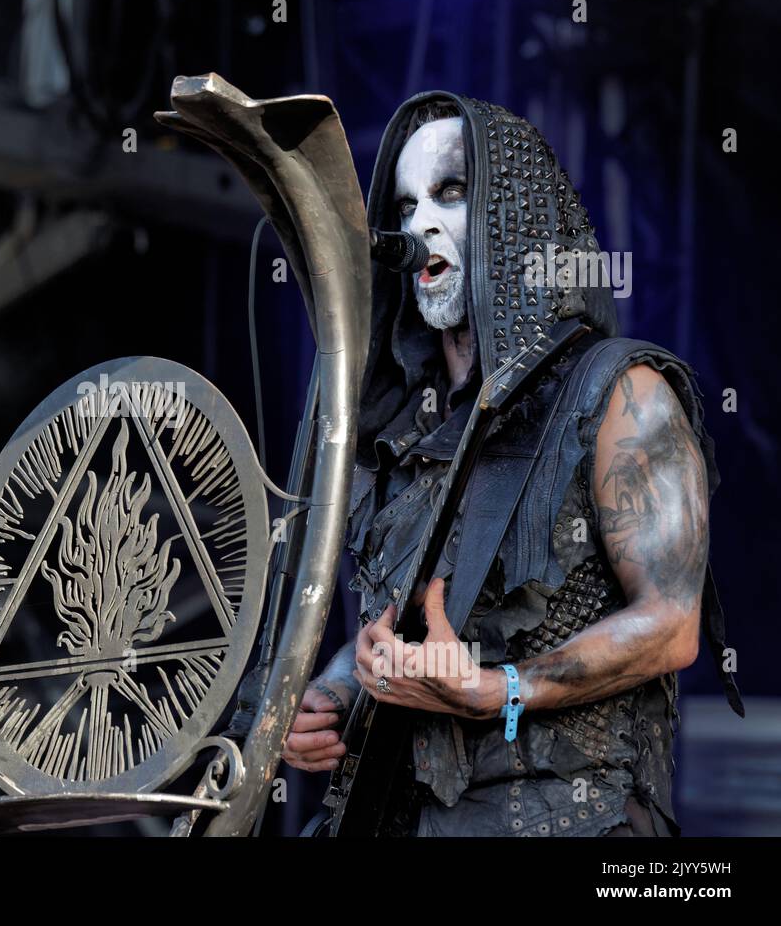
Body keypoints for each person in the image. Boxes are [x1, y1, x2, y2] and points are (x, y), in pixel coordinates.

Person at [281, 94, 742, 836]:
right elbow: (396, 626)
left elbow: (672, 623)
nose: (417, 222)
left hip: (564, 819)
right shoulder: (401, 421)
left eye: (450, 193)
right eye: (405, 203)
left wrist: (500, 690)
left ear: (516, 214)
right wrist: (335, 693)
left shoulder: (622, 393)